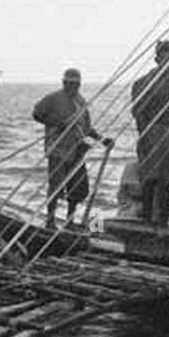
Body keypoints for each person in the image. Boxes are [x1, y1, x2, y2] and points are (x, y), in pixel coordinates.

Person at [32, 68, 112, 227]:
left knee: (78, 188)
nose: (72, 87)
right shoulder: (53, 99)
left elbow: (87, 128)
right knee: (55, 187)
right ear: (64, 83)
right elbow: (37, 114)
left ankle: (70, 220)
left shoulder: (81, 101)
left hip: (77, 150)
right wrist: (58, 123)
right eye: (69, 84)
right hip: (58, 150)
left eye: (76, 84)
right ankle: (50, 221)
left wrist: (102, 140)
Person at [130, 40, 169, 226]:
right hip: (152, 132)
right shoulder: (146, 81)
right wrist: (146, 135)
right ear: (158, 59)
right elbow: (137, 111)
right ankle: (147, 218)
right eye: (167, 57)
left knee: (167, 177)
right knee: (151, 177)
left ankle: (163, 219)